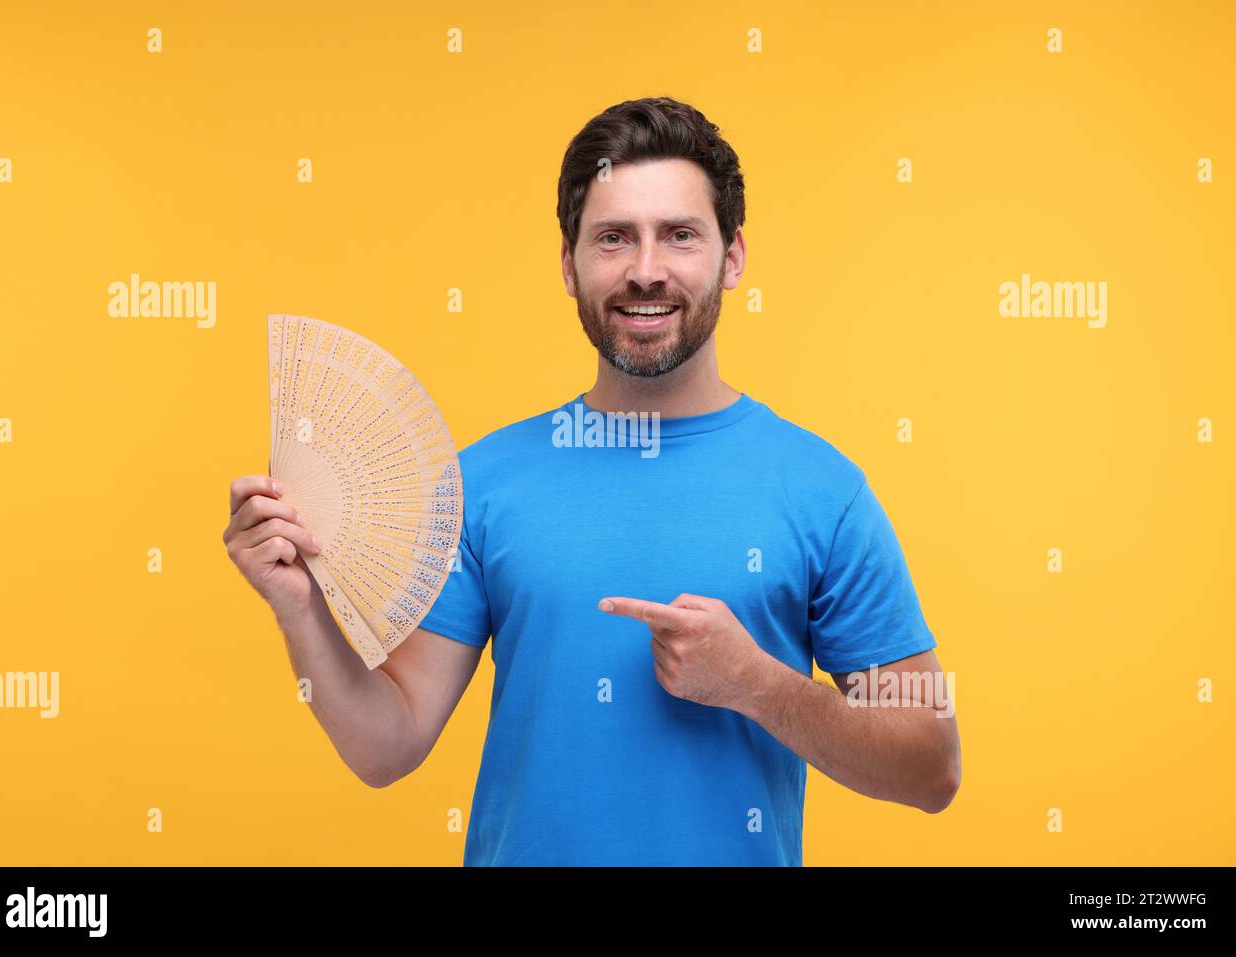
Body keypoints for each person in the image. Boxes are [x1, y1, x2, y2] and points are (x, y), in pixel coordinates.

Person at [224, 96, 961, 866]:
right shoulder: (483, 482)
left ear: (733, 256)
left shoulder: (824, 491)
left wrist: (756, 683)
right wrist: (301, 611)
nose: (646, 271)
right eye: (613, 239)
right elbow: (389, 743)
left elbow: (932, 762)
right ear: (569, 264)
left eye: (679, 235)